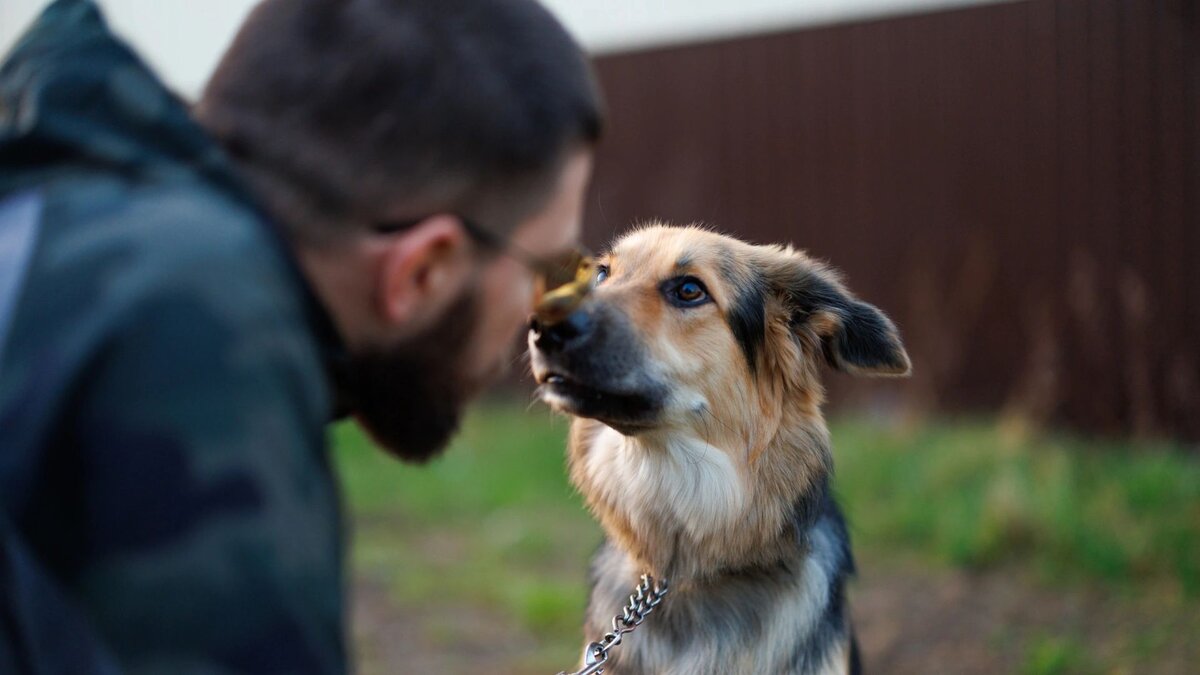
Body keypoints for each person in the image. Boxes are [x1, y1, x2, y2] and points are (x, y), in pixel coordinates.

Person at [0, 0, 602, 672]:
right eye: (544, 269)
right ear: (423, 270)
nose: (543, 308)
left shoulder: (56, 213)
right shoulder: (203, 340)